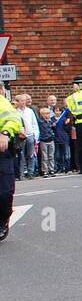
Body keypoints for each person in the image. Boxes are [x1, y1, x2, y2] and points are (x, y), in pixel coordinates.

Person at [0, 90, 21, 241]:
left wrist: (5, 133)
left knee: (5, 192)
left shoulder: (1, 102)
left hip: (1, 150)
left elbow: (13, 118)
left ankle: (2, 220)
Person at [16, 94, 38, 179]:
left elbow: (34, 123)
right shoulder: (16, 112)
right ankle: (22, 172)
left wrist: (35, 135)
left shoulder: (30, 111)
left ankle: (30, 172)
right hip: (21, 136)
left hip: (30, 135)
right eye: (21, 101)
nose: (23, 102)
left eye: (24, 100)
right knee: (21, 155)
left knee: (31, 154)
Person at [48, 95, 70, 174]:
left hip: (64, 138)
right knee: (58, 155)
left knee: (67, 154)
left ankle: (67, 168)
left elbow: (67, 129)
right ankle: (60, 167)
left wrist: (67, 124)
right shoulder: (52, 120)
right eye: (56, 111)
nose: (57, 112)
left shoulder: (64, 119)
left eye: (59, 111)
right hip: (56, 139)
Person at [36, 105, 55, 178]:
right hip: (43, 140)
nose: (48, 115)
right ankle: (45, 170)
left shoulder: (50, 121)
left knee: (51, 155)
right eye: (46, 113)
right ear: (42, 114)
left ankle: (51, 169)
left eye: (48, 113)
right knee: (44, 156)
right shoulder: (40, 122)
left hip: (51, 140)